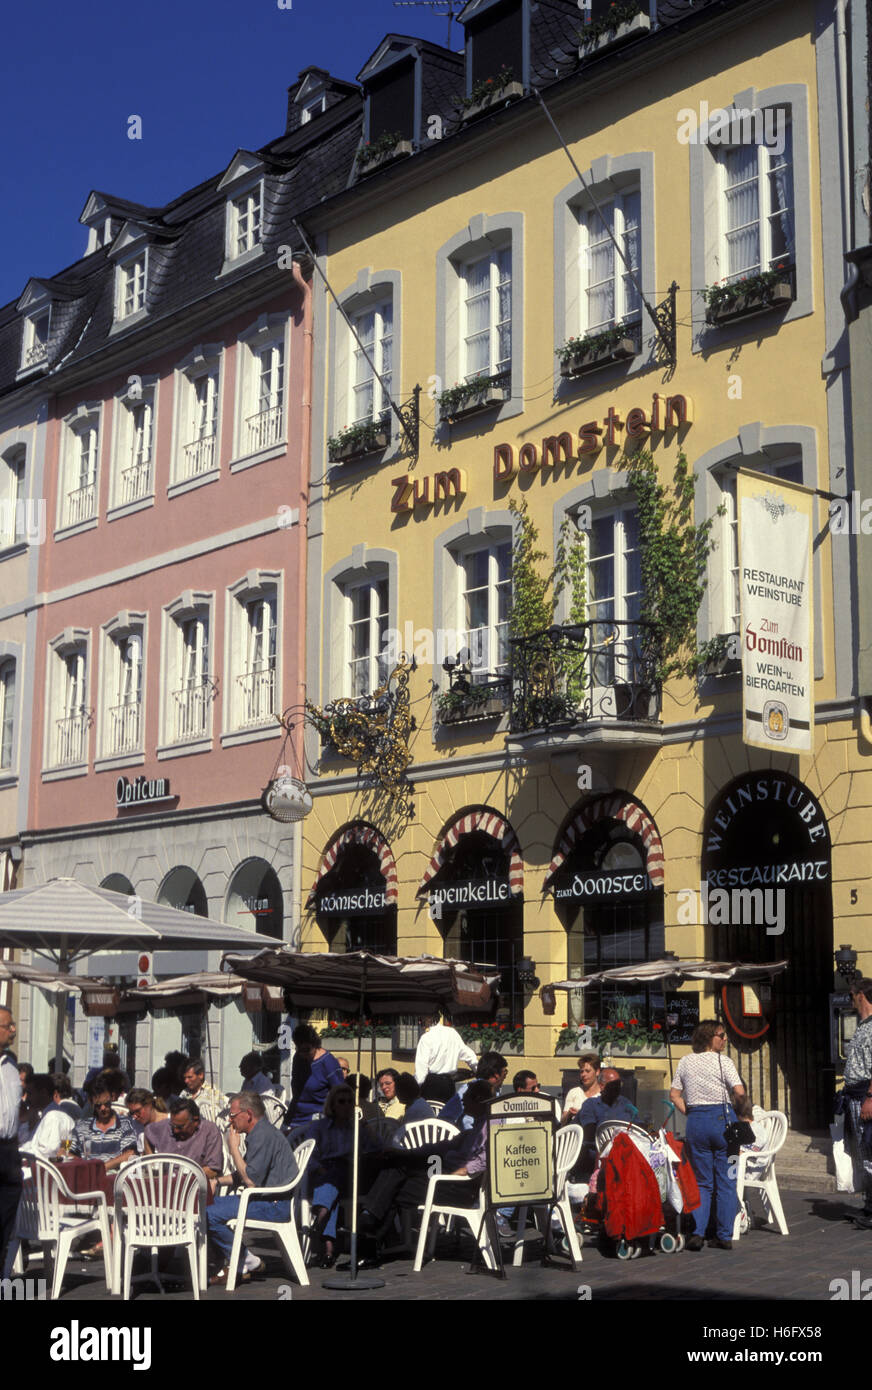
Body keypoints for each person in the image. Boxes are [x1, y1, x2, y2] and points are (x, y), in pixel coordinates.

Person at [207, 1091, 298, 1285]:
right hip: (262, 1199)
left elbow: (250, 1180)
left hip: (273, 1204)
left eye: (233, 1115)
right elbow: (245, 1173)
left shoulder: (262, 1135)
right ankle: (242, 1261)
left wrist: (233, 1149)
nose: (230, 1120)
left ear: (248, 1114)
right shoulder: (259, 1132)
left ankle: (245, 1260)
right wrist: (217, 1181)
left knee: (208, 1214)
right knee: (206, 1206)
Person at [669, 1020, 746, 1251]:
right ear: (708, 1038)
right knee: (726, 1180)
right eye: (720, 1036)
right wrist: (744, 1116)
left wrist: (690, 1111)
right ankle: (723, 1234)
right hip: (723, 1121)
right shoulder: (725, 1062)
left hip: (697, 1122)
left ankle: (698, 1231)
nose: (724, 1040)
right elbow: (739, 1092)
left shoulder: (685, 1061)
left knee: (702, 1181)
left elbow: (674, 1095)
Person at [307, 1084, 381, 1268]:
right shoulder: (319, 1127)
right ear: (332, 1104)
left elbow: (376, 1148)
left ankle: (321, 1223)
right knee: (331, 1187)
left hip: (351, 1175)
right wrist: (321, 1170)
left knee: (337, 1175)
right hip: (323, 1173)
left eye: (349, 1102)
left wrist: (368, 1130)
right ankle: (329, 1248)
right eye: (341, 1101)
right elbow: (309, 1156)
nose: (346, 1105)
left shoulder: (357, 1127)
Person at [840, 977, 872, 1228]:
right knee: (862, 1152)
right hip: (854, 1096)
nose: (851, 1000)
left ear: (861, 995)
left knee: (869, 1150)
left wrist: (870, 1098)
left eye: (852, 996)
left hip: (865, 1096)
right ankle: (869, 1205)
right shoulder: (863, 1026)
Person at [143, 1098, 223, 1178]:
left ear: (195, 1121)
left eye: (180, 1127)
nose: (175, 1130)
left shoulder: (209, 1131)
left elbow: (213, 1170)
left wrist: (181, 1180)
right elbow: (148, 1131)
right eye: (173, 1126)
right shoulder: (165, 1126)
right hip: (165, 1183)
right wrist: (151, 1164)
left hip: (193, 1185)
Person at [68, 1085, 138, 1171]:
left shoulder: (124, 1123)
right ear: (92, 1103)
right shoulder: (82, 1125)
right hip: (87, 1175)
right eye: (98, 1105)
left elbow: (130, 1153)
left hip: (114, 1177)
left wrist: (102, 1168)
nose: (103, 1108)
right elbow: (65, 1151)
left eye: (106, 1104)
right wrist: (85, 1166)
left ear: (112, 1100)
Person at [0, 1007, 22, 1273]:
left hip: (9, 1150)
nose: (13, 1030)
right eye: (8, 1025)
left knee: (5, 1224)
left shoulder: (11, 1066)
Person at [414, 1011, 478, 1102]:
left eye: (421, 1019)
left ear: (429, 1018)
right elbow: (469, 1055)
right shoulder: (452, 1033)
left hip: (431, 1085)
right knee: (447, 1114)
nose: (420, 1023)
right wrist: (479, 1073)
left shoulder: (425, 1038)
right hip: (449, 1084)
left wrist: (416, 1092)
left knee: (432, 1114)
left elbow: (421, 1073)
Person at [287, 1025, 343, 1124]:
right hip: (295, 1115)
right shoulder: (298, 1058)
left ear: (315, 1044)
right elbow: (296, 1088)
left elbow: (340, 1094)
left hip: (317, 1118)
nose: (303, 1054)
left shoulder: (329, 1063)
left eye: (307, 1050)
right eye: (299, 1049)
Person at [21, 1073, 81, 1161]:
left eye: (30, 1093)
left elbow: (49, 1150)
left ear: (43, 1093)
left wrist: (18, 1152)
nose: (27, 1098)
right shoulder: (44, 1115)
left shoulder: (54, 1116)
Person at [441, 1052, 507, 1129]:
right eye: (505, 1072)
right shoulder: (471, 1090)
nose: (505, 1076)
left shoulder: (495, 1090)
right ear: (496, 1075)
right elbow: (467, 1121)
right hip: (452, 1131)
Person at [562, 1051, 602, 1122]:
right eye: (581, 1071)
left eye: (587, 1071)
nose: (583, 1074)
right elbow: (563, 1122)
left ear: (597, 1072)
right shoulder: (574, 1092)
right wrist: (569, 1114)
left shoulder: (603, 1094)